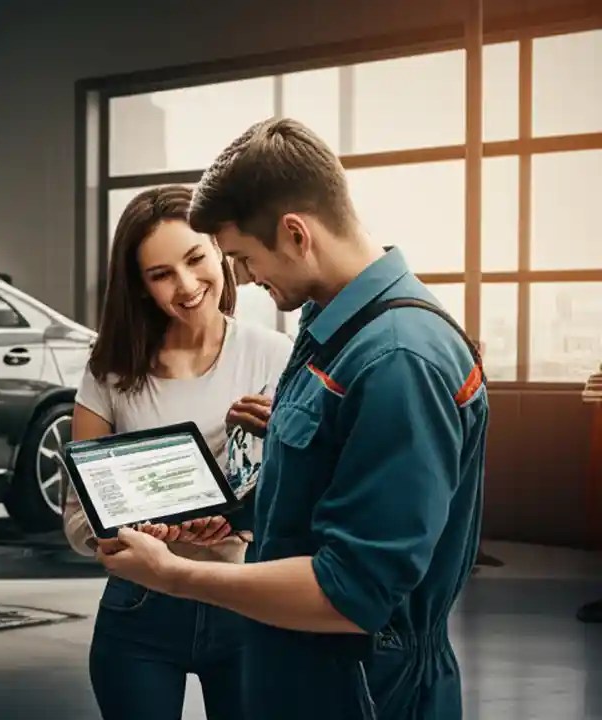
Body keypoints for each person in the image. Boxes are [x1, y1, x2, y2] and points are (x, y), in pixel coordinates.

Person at [96, 118, 490, 720]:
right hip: (300, 676)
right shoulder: (329, 329)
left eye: (244, 259)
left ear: (296, 234)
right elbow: (327, 489)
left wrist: (177, 577)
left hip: (364, 692)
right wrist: (235, 516)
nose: (246, 279)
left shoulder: (399, 360)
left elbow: (351, 593)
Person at [62, 184, 293, 720]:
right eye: (161, 274)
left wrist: (248, 520)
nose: (186, 286)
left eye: (194, 259)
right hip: (139, 608)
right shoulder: (110, 371)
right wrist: (128, 530)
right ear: (139, 287)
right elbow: (78, 520)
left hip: (245, 599)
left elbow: (303, 500)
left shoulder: (274, 354)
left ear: (220, 250)